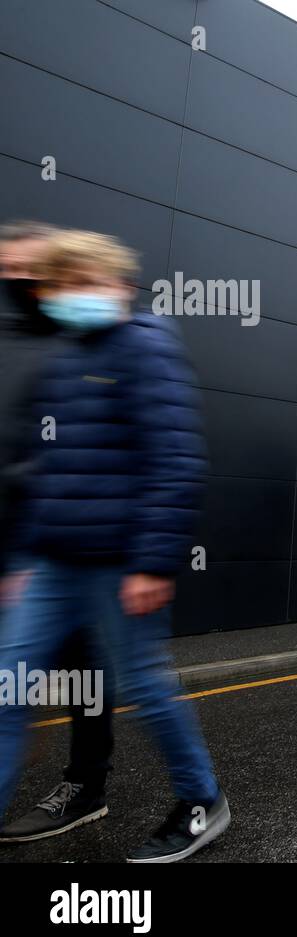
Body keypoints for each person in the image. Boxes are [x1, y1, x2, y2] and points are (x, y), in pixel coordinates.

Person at [0, 229, 228, 862]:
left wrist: (153, 561)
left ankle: (200, 801)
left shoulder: (145, 347)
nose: (71, 295)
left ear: (118, 286)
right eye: (61, 285)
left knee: (144, 688)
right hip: (49, 562)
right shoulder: (67, 353)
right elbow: (40, 465)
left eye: (84, 282)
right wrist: (20, 558)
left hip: (117, 561)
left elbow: (176, 460)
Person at [0, 222, 118, 844]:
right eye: (7, 270)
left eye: (29, 270)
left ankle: (85, 782)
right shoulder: (13, 342)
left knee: (84, 671)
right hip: (20, 543)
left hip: (60, 545)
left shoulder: (84, 346)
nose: (18, 280)